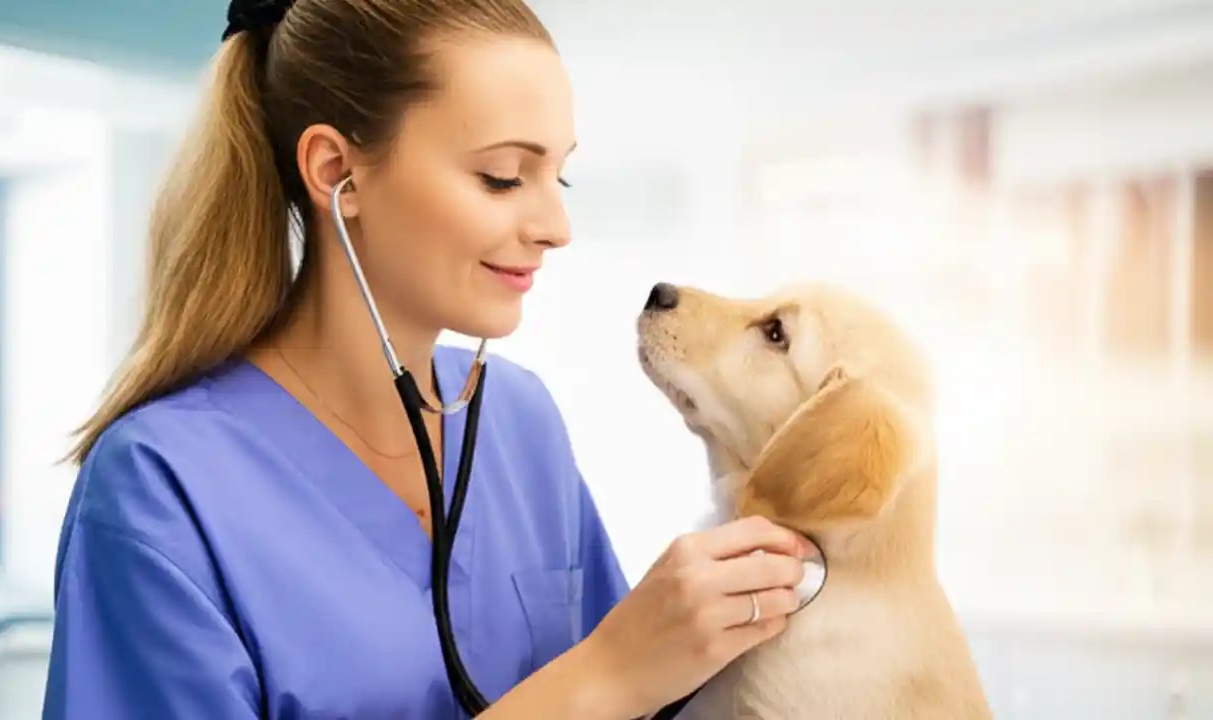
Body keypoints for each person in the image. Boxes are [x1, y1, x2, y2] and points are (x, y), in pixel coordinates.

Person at [40, 1, 811, 717]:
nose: (555, 225)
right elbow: (608, 681)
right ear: (337, 173)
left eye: (559, 175)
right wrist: (604, 673)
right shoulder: (161, 487)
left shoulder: (518, 420)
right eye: (503, 177)